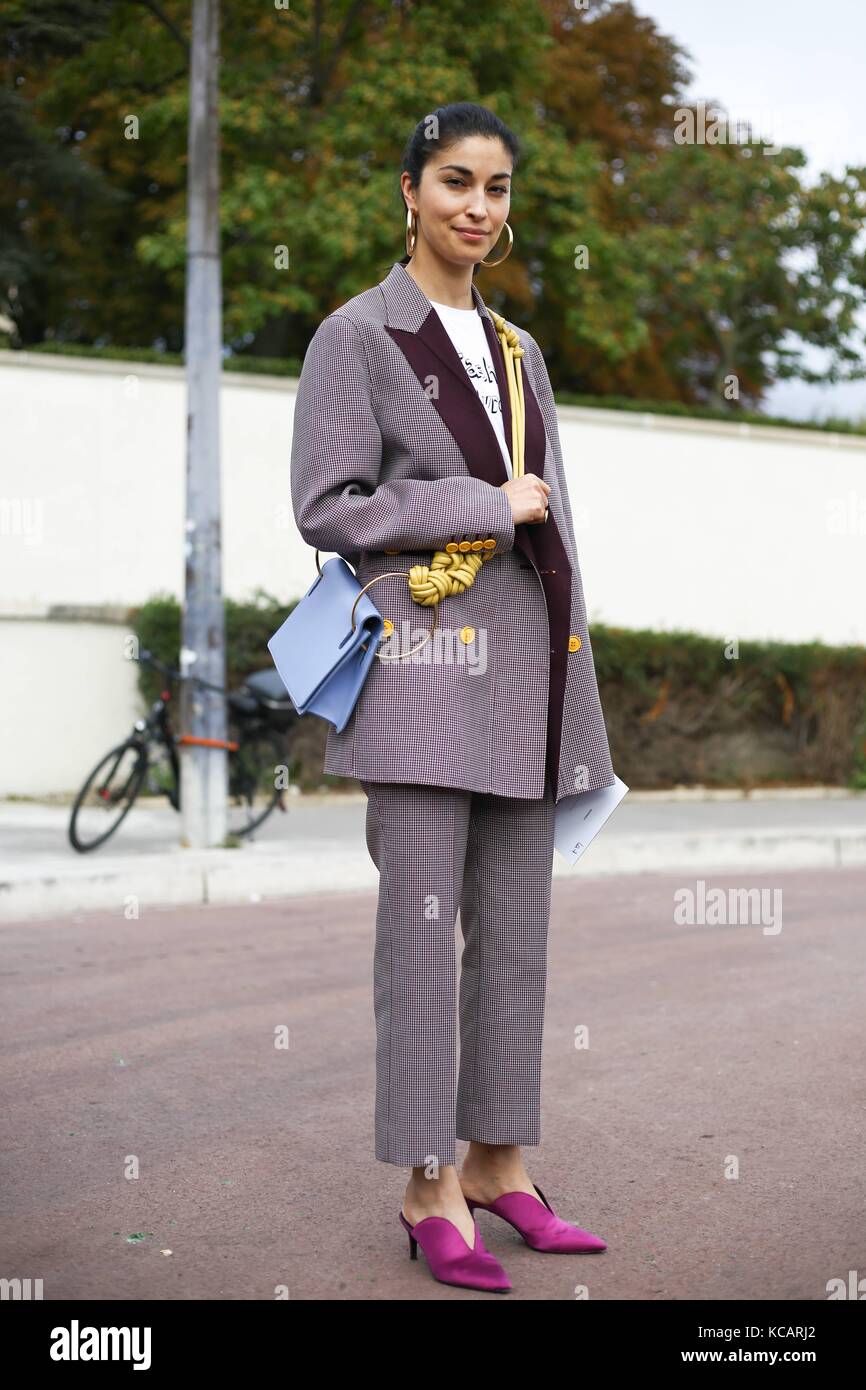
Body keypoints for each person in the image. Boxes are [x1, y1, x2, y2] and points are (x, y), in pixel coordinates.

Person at [290, 102, 615, 1292]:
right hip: (423, 673)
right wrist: (480, 502)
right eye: (455, 182)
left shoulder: (522, 350)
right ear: (408, 194)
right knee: (424, 945)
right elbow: (327, 506)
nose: (479, 206)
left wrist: (580, 700)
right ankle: (428, 1184)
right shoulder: (355, 337)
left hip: (528, 675)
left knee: (516, 943)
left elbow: (559, 532)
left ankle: (501, 1165)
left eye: (497, 187)